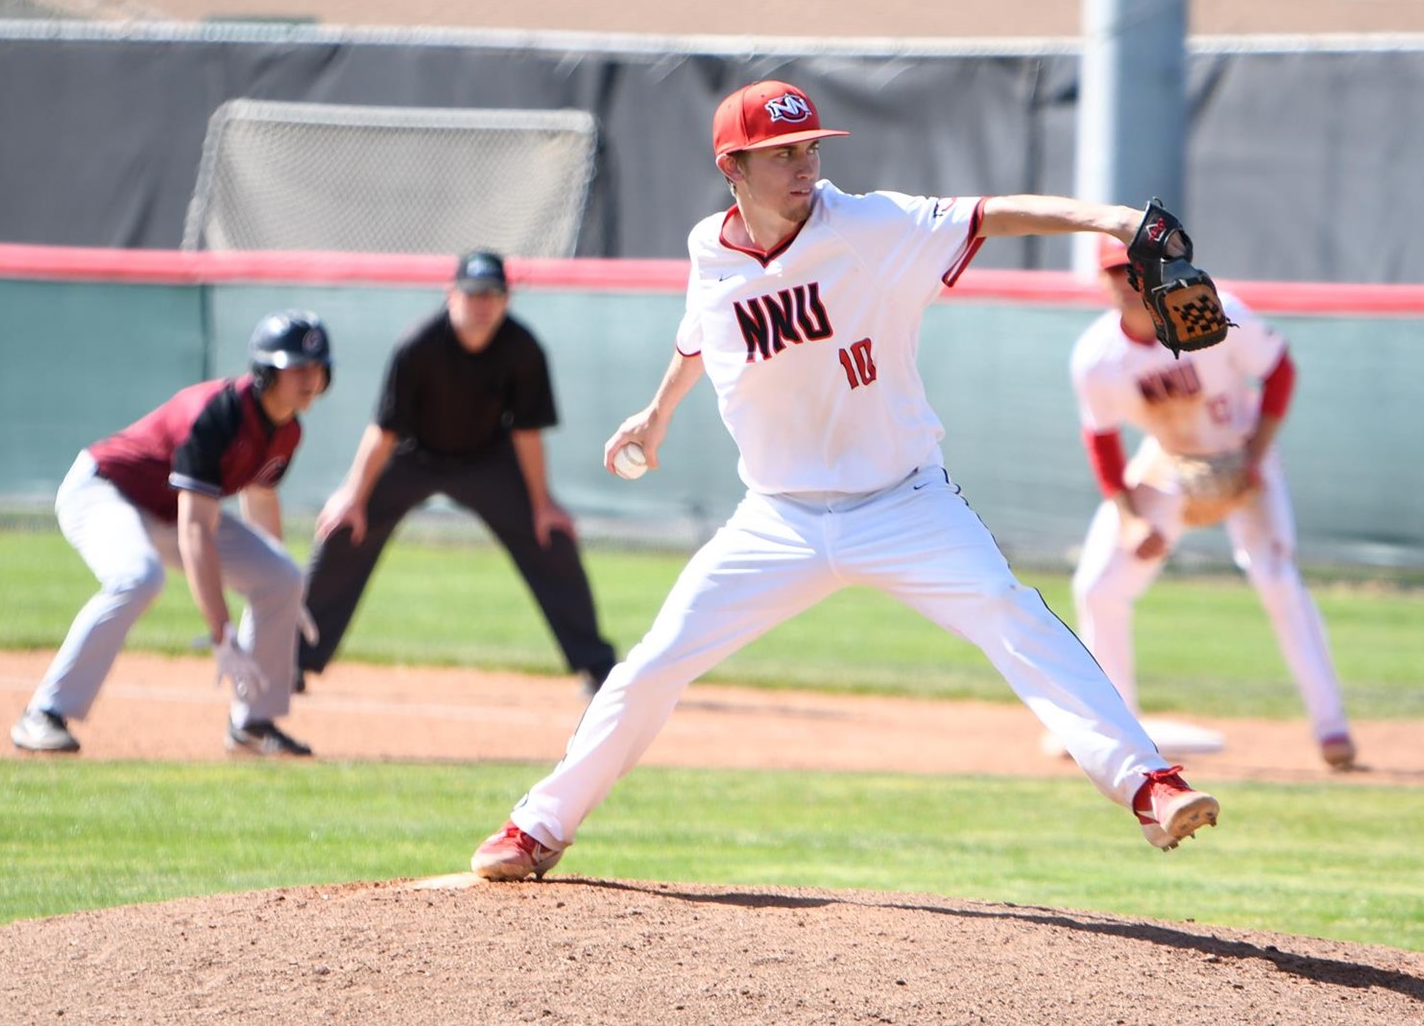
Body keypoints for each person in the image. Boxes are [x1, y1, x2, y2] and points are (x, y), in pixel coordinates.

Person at [469, 79, 1221, 880]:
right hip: (777, 519)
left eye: (811, 148)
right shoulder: (708, 248)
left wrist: (1110, 220)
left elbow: (989, 213)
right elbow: (702, 333)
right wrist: (656, 414)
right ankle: (538, 825)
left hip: (904, 504)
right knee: (655, 662)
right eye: (784, 152)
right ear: (734, 164)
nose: (805, 165)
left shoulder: (869, 224)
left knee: (1014, 615)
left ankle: (1149, 783)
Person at [1068, 237, 1358, 770]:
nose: (1128, 282)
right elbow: (1102, 441)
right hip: (1170, 460)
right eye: (1115, 271)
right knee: (1098, 586)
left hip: (1243, 450)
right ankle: (1116, 730)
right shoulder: (1097, 358)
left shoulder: (1209, 307)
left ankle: (1331, 726)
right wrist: (1132, 521)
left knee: (1274, 575)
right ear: (1101, 281)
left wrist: (1255, 455)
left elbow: (1280, 370)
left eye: (1136, 269)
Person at [11, 312, 333, 757]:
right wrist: (221, 632)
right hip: (104, 491)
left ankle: (252, 726)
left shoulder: (287, 431)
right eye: (296, 367)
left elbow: (259, 499)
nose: (309, 378)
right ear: (265, 371)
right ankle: (43, 714)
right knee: (138, 577)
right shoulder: (217, 414)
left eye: (315, 367)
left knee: (282, 576)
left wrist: (282, 590)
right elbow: (196, 530)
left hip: (169, 511)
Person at [297, 249, 616, 694]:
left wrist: (543, 505)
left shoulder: (521, 348)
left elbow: (526, 434)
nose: (482, 304)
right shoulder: (420, 344)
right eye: (473, 294)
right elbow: (384, 431)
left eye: (493, 295)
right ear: (451, 295)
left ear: (507, 299)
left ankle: (598, 667)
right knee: (345, 528)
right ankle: (294, 658)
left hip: (486, 459)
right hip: (413, 455)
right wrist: (353, 495)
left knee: (551, 535)